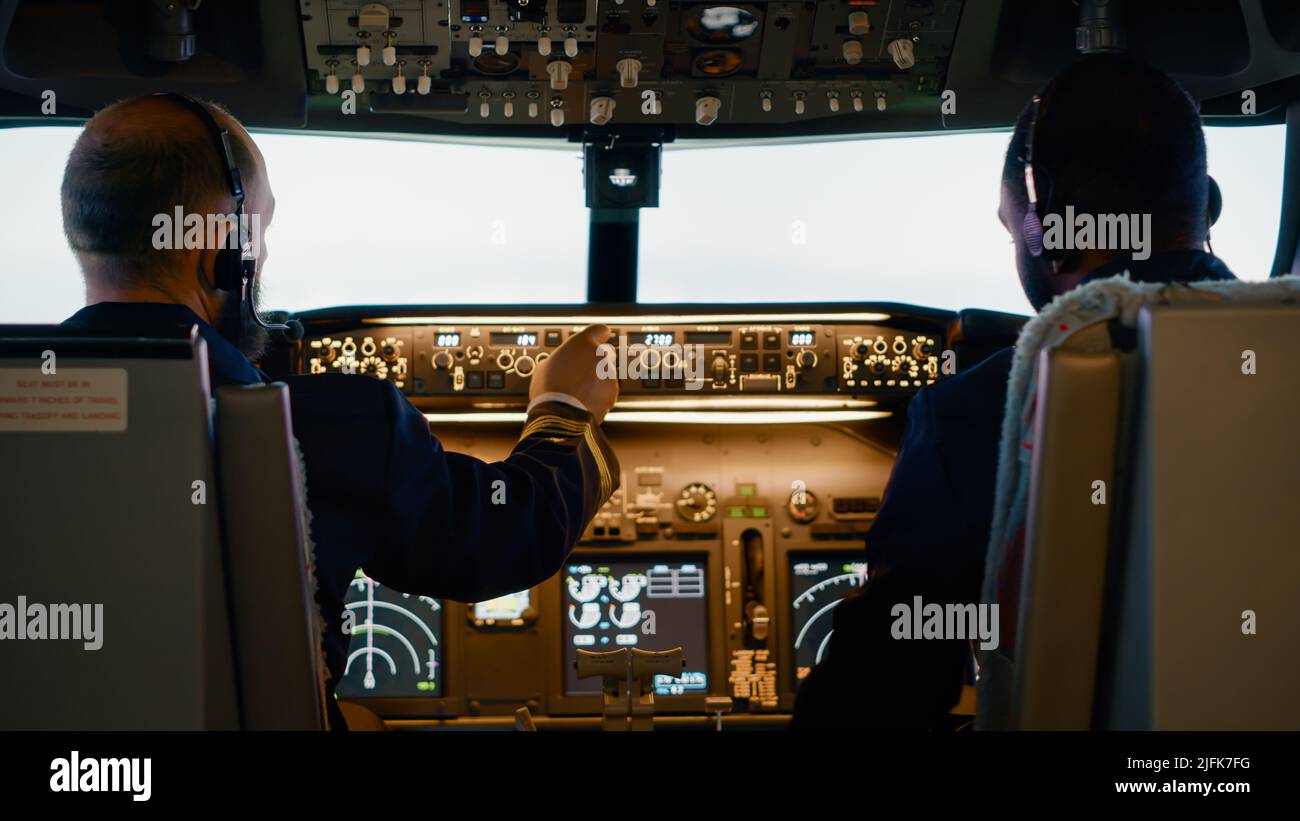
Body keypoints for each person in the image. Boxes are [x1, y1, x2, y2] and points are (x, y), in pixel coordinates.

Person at [58, 94, 620, 729]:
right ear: (226, 248)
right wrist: (565, 410)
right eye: (260, 233)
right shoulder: (323, 429)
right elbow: (510, 534)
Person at [792, 55, 1236, 730]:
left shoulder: (988, 410)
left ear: (1047, 228)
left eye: (1014, 232)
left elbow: (862, 711)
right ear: (1203, 204)